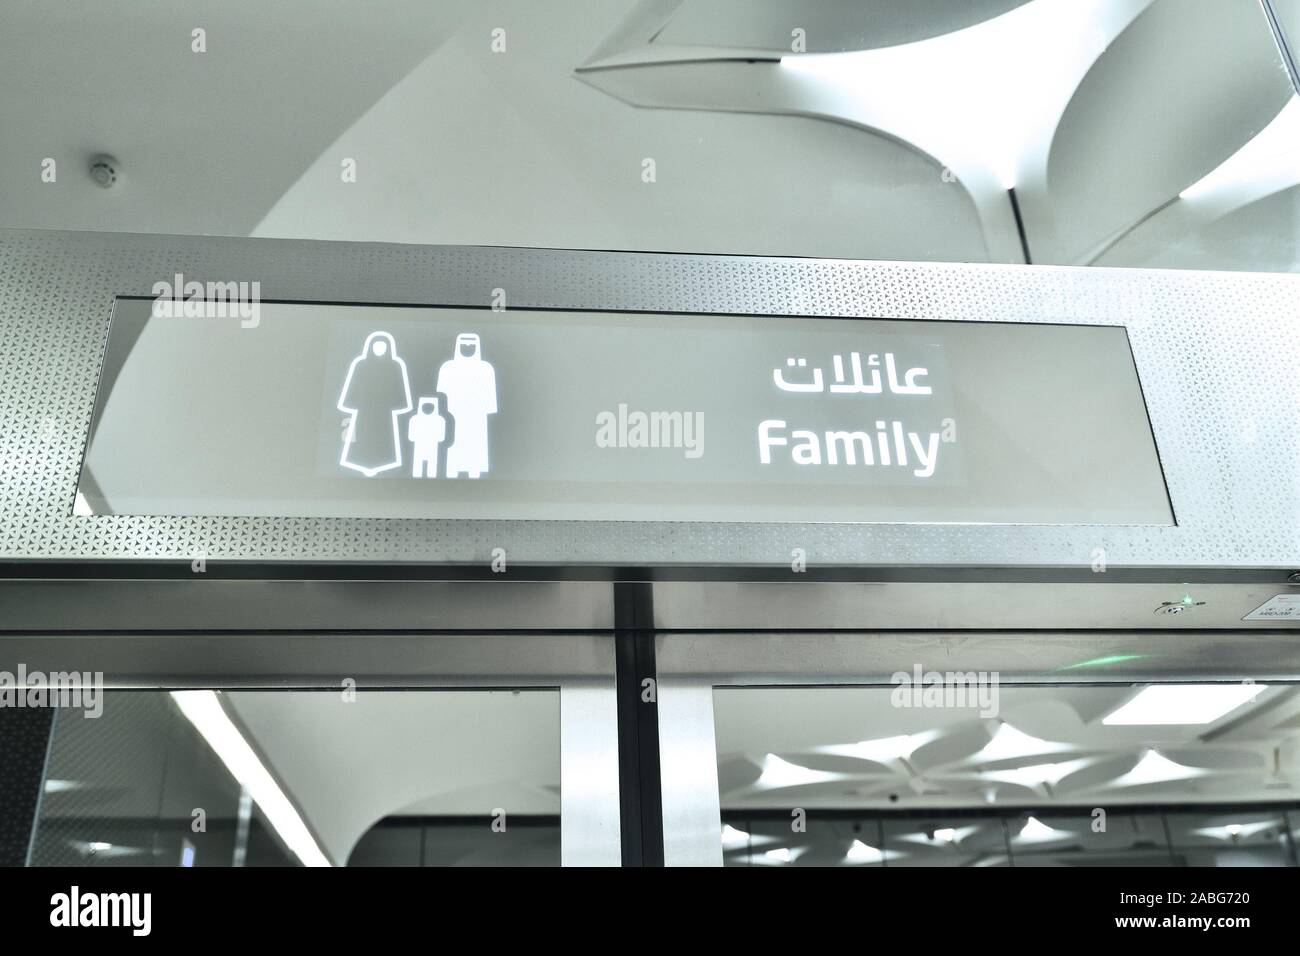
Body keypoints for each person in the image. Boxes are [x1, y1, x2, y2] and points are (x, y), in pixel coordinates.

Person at [337, 331, 412, 476]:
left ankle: (385, 461)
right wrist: (352, 403)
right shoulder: (361, 364)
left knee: (384, 435)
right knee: (363, 435)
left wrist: (399, 403)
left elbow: (399, 387)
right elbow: (354, 385)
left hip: (384, 411)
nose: (379, 349)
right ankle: (358, 460)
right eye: (377, 346)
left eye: (382, 346)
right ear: (370, 347)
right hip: (365, 409)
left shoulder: (394, 365)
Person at [436, 332, 497, 478]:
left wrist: (487, 409)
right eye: (464, 344)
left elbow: (490, 393)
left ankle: (475, 472)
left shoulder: (485, 368)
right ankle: (451, 471)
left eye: (471, 345)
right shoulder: (448, 367)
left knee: (475, 444)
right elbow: (440, 394)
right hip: (453, 413)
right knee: (453, 442)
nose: (467, 347)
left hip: (477, 415)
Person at [407, 397, 447, 478]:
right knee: (417, 465)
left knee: (432, 466)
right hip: (420, 445)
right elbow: (411, 435)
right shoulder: (415, 419)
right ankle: (418, 474)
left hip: (432, 446)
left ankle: (430, 475)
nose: (428, 409)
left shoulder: (439, 419)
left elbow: (441, 436)